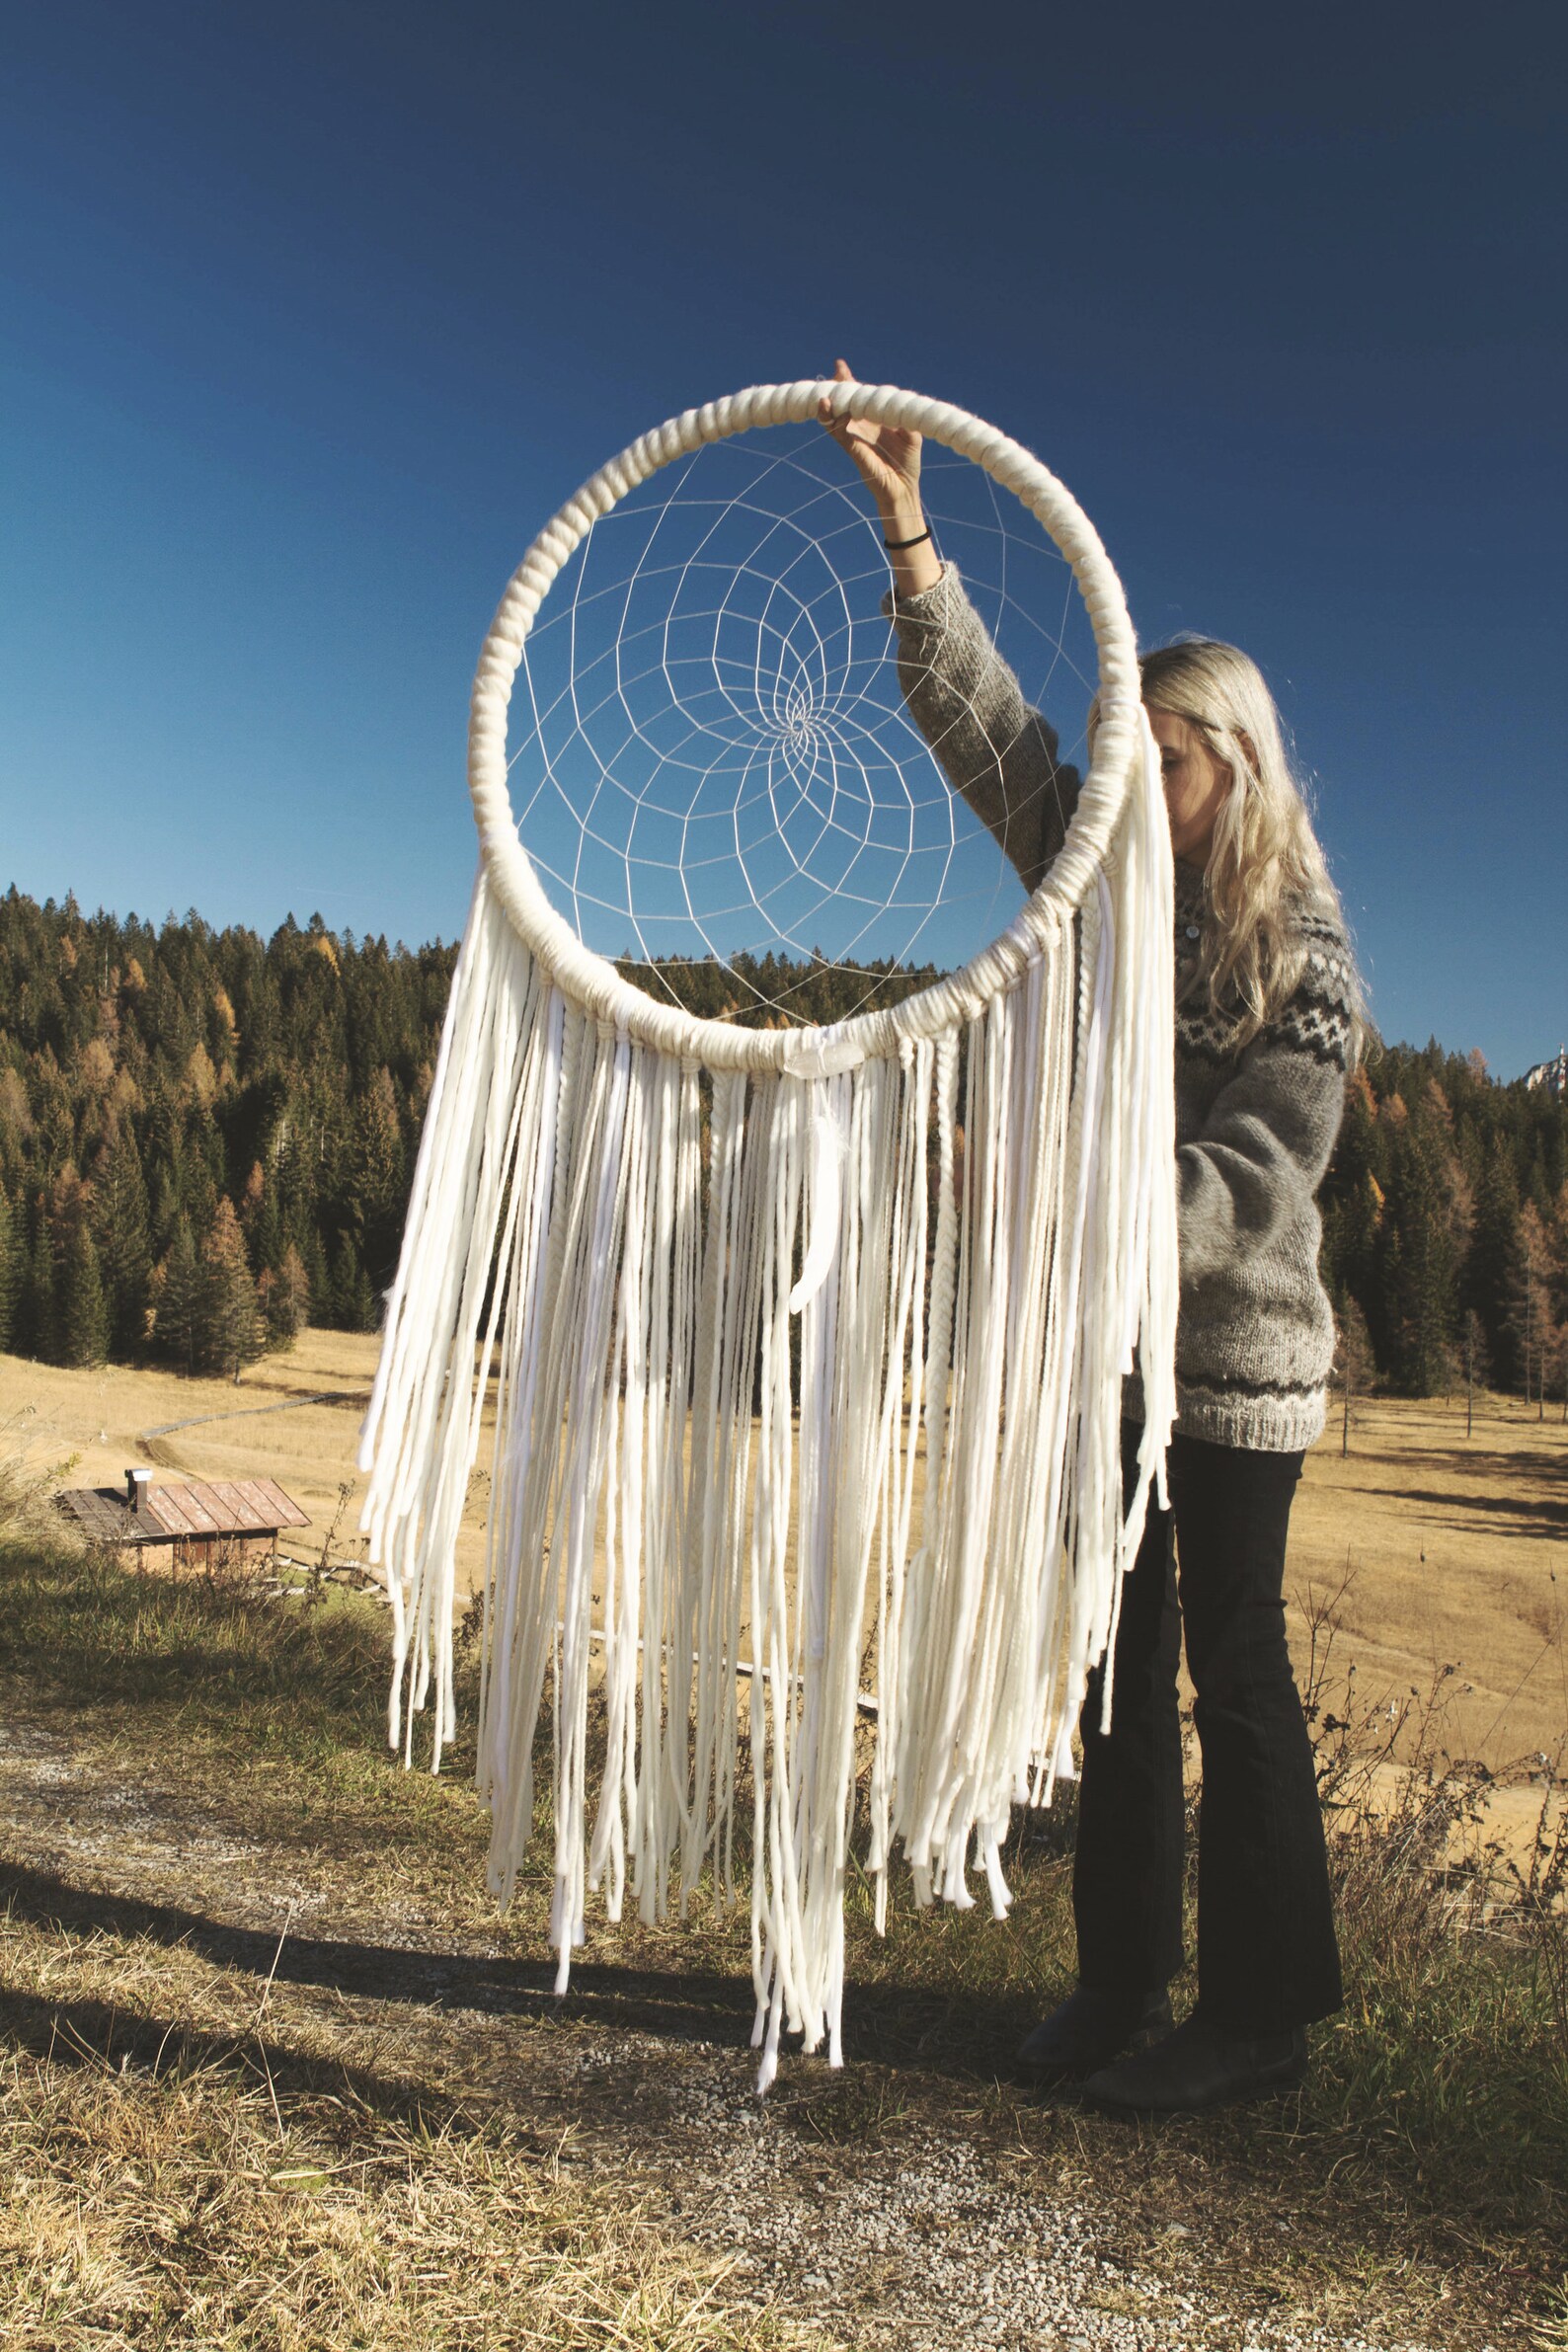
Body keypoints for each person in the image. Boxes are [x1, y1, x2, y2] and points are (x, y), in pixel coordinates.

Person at [822, 361, 1364, 2113]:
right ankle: (1119, 1984)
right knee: (1114, 1671)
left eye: (1174, 762)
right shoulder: (1095, 865)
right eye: (1134, 755)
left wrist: (1066, 1189)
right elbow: (987, 723)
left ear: (1242, 770)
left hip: (1237, 1367)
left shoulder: (1313, 961)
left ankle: (1262, 2017)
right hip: (1105, 1347)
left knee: (1241, 1672)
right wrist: (909, 523)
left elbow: (1259, 1179)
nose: (1139, 785)